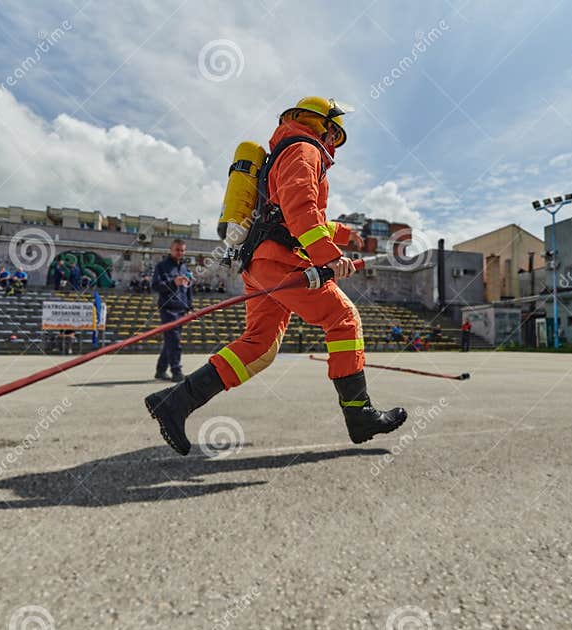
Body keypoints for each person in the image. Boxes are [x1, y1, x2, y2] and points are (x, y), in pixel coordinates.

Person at [145, 96, 406, 455]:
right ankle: (359, 415)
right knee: (343, 319)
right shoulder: (305, 148)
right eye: (335, 136)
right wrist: (330, 258)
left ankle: (175, 402)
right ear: (323, 125)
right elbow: (301, 210)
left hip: (260, 265)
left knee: (259, 347)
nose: (334, 146)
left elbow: (289, 214)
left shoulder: (286, 150)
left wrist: (345, 234)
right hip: (281, 262)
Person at [151, 238, 193, 381]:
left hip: (181, 308)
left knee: (170, 340)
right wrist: (173, 283)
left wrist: (190, 307)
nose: (180, 253)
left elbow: (188, 289)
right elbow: (155, 286)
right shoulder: (161, 267)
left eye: (182, 250)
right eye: (177, 250)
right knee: (174, 340)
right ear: (171, 250)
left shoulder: (185, 268)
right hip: (168, 309)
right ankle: (176, 371)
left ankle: (160, 370)